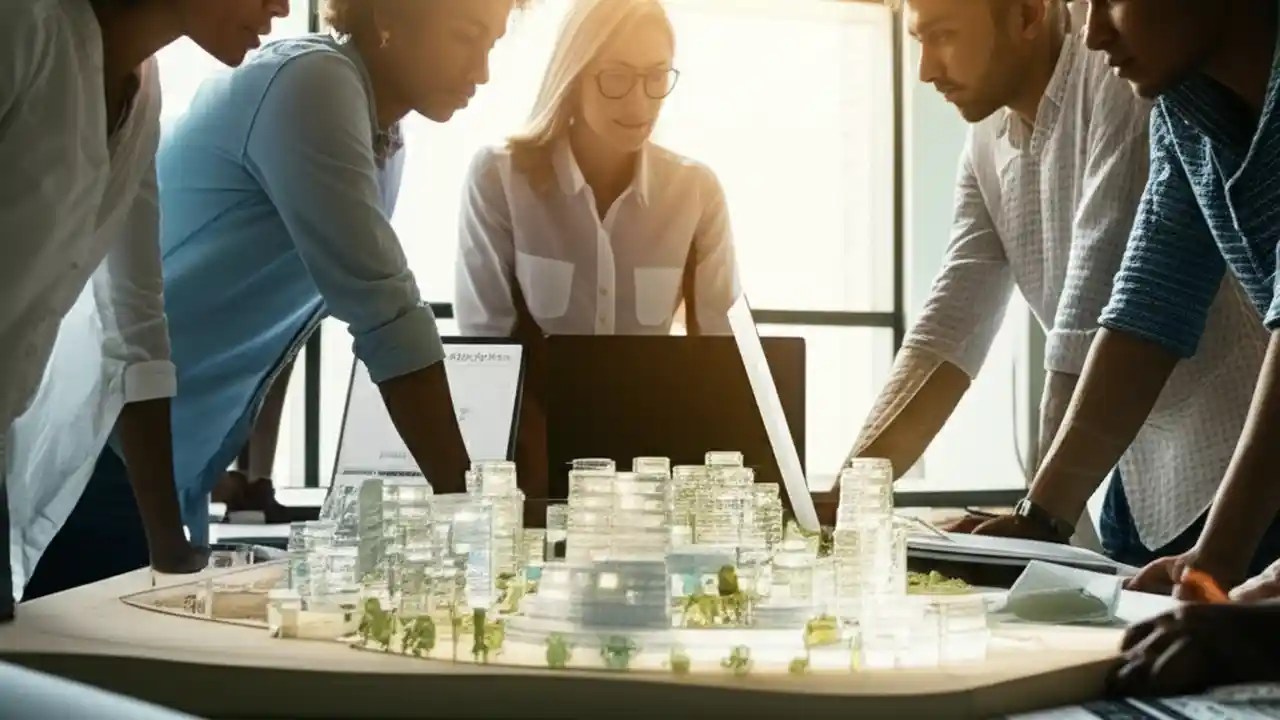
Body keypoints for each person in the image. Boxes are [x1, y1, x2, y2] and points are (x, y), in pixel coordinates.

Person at [20, 0, 524, 600]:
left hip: (166, 466)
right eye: (467, 36)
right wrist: (469, 522)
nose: (483, 70)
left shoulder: (380, 137)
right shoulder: (312, 83)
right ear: (392, 17)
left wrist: (248, 478)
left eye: (492, 44)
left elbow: (286, 322)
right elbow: (387, 318)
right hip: (104, 451)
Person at [838, 0, 1266, 575]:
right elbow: (1143, 304)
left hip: (1245, 465)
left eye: (1109, 1)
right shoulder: (1175, 109)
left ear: (1025, 15)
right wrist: (852, 492)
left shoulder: (1126, 83)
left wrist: (1214, 560)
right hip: (1137, 478)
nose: (1093, 31)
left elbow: (1089, 310)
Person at [1, 0, 287, 617]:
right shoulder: (24, 25)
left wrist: (168, 545)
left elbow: (134, 318)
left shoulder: (143, 91)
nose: (283, 7)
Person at [455, 0, 741, 500]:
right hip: (532, 450)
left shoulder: (695, 190)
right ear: (573, 75)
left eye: (656, 77)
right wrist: (533, 467)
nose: (639, 102)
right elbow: (488, 348)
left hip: (657, 453)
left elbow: (721, 350)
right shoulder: (500, 177)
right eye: (616, 77)